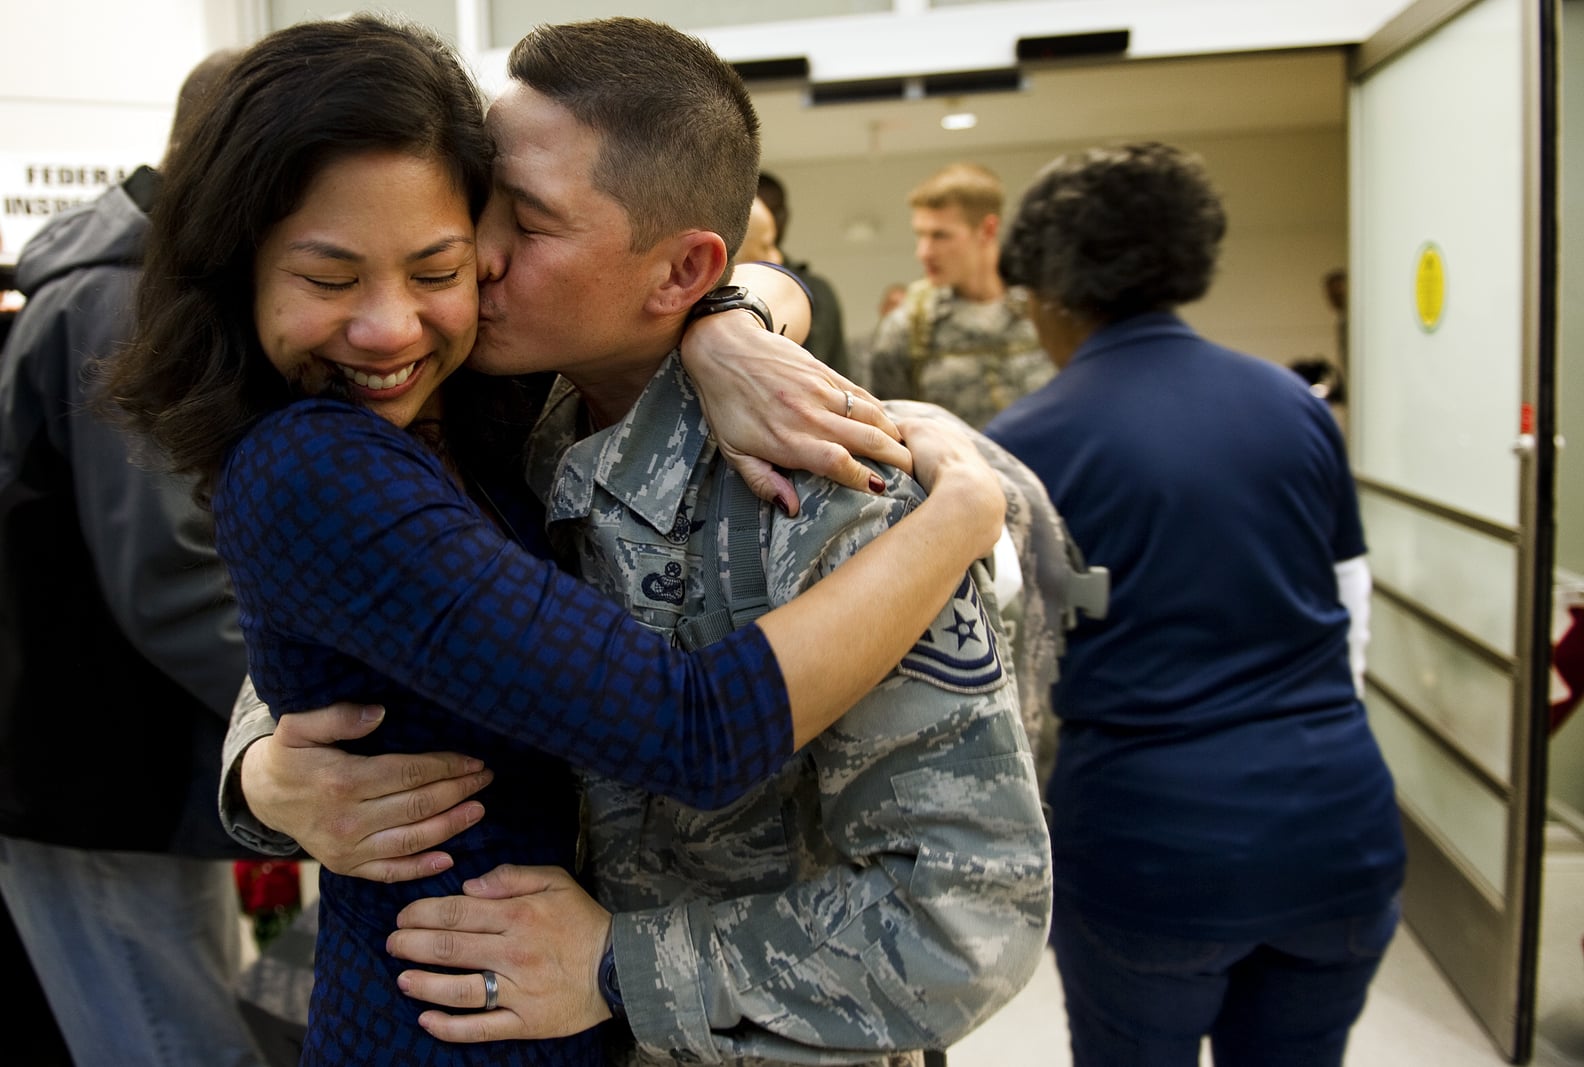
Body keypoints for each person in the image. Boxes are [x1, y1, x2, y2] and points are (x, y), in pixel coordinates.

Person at [106, 16, 1009, 1067]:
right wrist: (262, 769)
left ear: (682, 272)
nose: (469, 267)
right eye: (331, 276)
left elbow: (964, 919)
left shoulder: (835, 491)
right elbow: (377, 624)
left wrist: (741, 318)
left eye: (513, 223)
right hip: (459, 1017)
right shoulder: (480, 419)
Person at [984, 141, 1405, 1067]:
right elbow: (1350, 608)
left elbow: (997, 669)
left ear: (1051, 291)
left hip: (1153, 848)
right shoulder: (1294, 404)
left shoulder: (1023, 445)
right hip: (1337, 824)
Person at [0, 49, 275, 1067]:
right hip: (103, 773)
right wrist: (295, 721)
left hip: (124, 763)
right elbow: (173, 570)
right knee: (169, 1042)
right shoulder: (119, 304)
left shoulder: (126, 288)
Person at [868, 162, 1053, 429]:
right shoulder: (908, 327)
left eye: (940, 236)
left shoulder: (1045, 313)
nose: (924, 252)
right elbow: (887, 431)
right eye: (920, 235)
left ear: (988, 230)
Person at [756, 171, 851, 380]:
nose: (775, 256)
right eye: (765, 246)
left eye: (777, 213)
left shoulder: (814, 291)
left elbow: (811, 372)